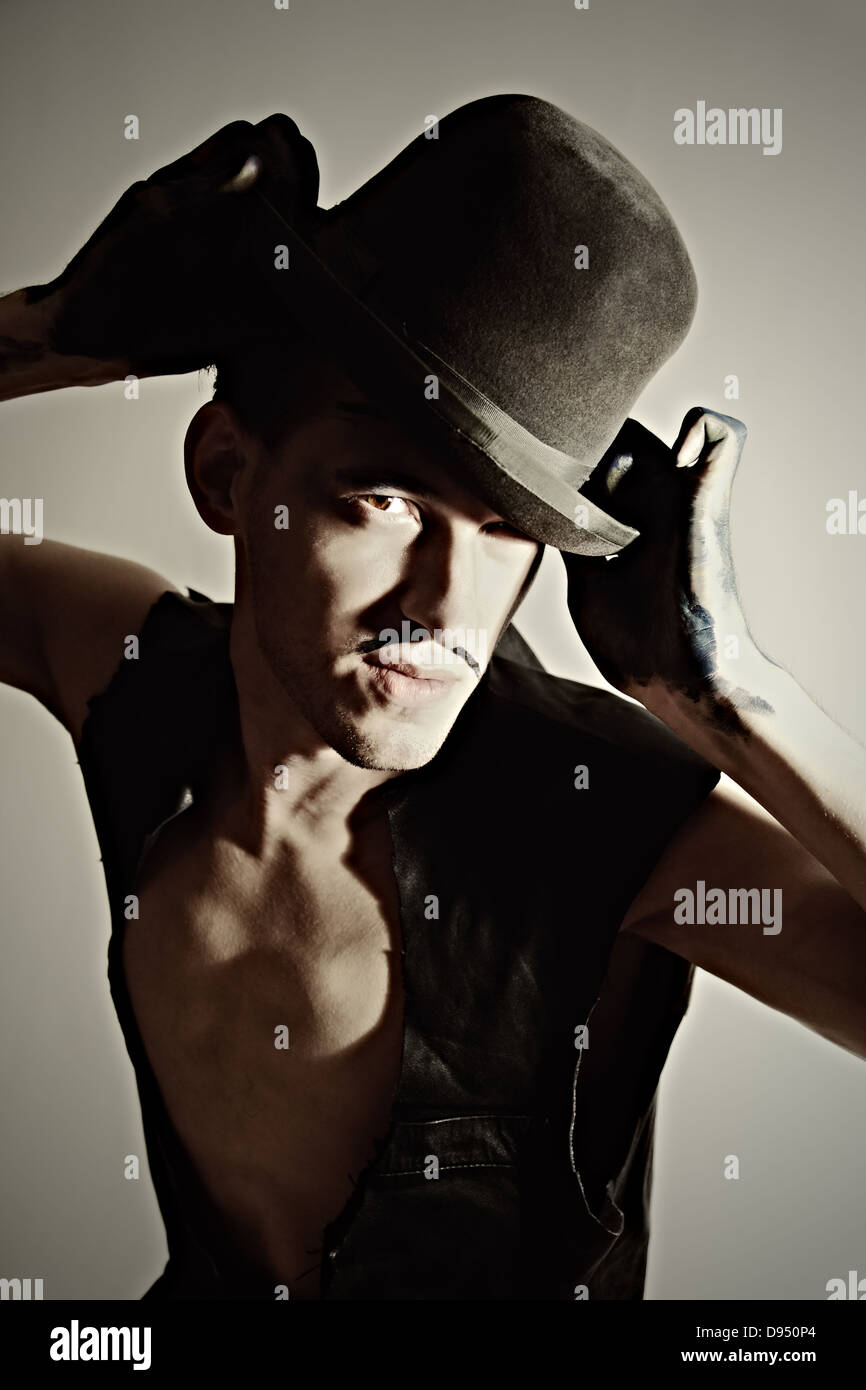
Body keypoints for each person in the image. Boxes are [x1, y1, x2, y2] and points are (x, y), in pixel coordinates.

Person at [1, 98, 864, 1301]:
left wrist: (733, 697)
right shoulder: (127, 672)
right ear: (226, 473)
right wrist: (50, 334)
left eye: (509, 531)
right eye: (385, 501)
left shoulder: (594, 820)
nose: (449, 605)